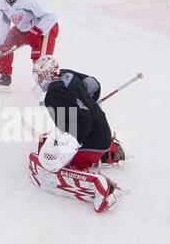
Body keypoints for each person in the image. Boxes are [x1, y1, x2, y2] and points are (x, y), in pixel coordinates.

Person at [27, 57, 125, 214]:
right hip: (103, 130)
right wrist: (87, 102)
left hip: (93, 140)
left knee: (65, 162)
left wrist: (67, 149)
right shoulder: (67, 74)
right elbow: (93, 84)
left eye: (39, 76)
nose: (38, 80)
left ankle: (109, 189)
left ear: (47, 73)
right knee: (52, 138)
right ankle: (111, 150)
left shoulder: (52, 95)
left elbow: (83, 121)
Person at [0, 0, 58, 90]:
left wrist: (37, 31)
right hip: (25, 29)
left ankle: (53, 91)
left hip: (46, 29)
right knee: (3, 46)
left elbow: (50, 16)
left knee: (41, 62)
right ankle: (5, 77)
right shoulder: (0, 3)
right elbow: (2, 25)